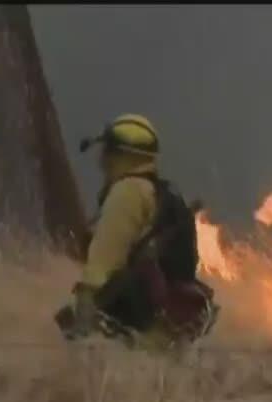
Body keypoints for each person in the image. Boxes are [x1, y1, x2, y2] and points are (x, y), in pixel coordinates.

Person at [55, 114, 218, 349]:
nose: (101, 162)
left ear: (117, 156)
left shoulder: (127, 193)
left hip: (133, 334)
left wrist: (82, 328)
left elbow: (100, 266)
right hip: (169, 331)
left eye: (106, 153)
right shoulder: (166, 195)